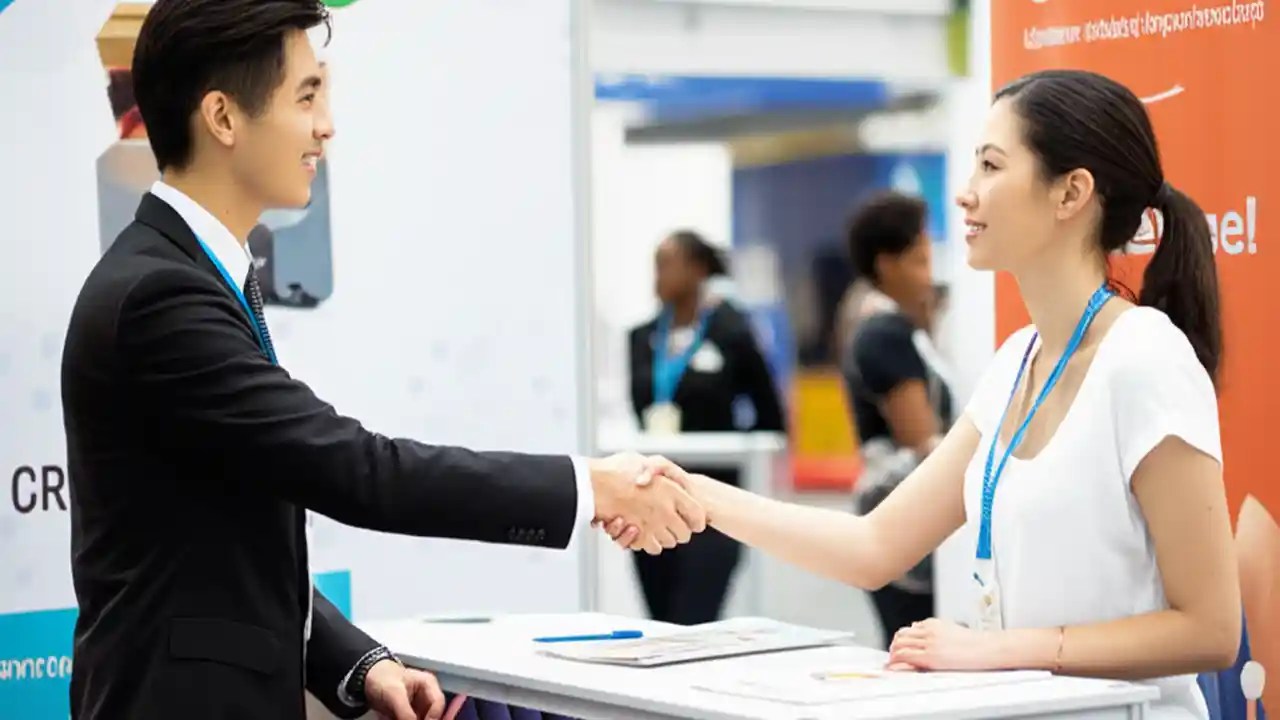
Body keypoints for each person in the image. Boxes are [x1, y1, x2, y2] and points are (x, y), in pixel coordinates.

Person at [60, 2, 702, 719]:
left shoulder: (189, 272)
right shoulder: (162, 295)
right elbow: (356, 469)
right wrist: (591, 487)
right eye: (306, 96)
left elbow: (232, 538)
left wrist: (357, 662)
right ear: (222, 117)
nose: (326, 125)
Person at [609, 69, 1241, 719]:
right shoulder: (1015, 363)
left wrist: (999, 649)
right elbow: (875, 547)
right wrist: (691, 491)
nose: (965, 196)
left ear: (1071, 193)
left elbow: (1211, 630)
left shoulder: (1145, 358)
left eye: (992, 166)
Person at [625, 230, 786, 625]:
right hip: (651, 501)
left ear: (698, 270)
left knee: (694, 619)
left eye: (666, 266)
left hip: (712, 504)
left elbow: (771, 412)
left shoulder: (732, 331)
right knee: (659, 624)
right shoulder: (642, 338)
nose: (657, 278)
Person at [836, 192, 953, 646]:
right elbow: (921, 437)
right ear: (886, 264)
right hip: (903, 513)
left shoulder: (893, 326)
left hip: (905, 511)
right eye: (920, 262)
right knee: (914, 649)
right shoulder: (885, 332)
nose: (929, 278)